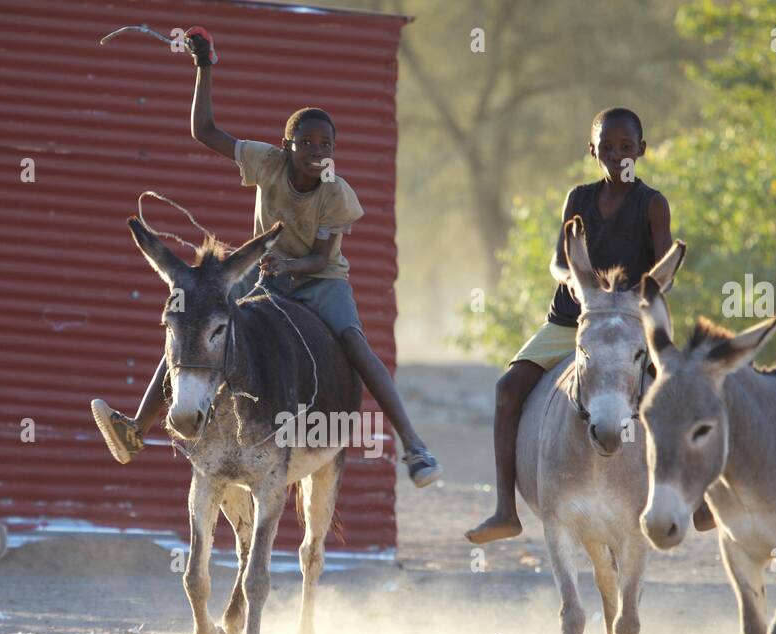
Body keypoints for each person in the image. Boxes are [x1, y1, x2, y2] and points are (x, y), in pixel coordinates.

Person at [91, 31, 441, 486]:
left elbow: (319, 258)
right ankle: (137, 428)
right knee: (195, 310)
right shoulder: (265, 162)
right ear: (287, 144)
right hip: (263, 272)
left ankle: (413, 445)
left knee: (355, 344)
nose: (319, 153)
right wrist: (205, 66)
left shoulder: (338, 194)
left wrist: (286, 268)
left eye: (326, 145)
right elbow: (204, 131)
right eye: (309, 143)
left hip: (319, 280)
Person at [465, 107, 675, 544]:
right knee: (508, 389)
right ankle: (506, 510)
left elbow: (662, 268)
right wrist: (576, 285)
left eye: (626, 148)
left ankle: (696, 499)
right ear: (591, 150)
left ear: (642, 151)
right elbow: (559, 261)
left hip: (630, 321)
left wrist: (633, 305)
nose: (617, 156)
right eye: (607, 147)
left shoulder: (652, 203)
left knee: (675, 395)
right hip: (571, 318)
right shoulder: (578, 197)